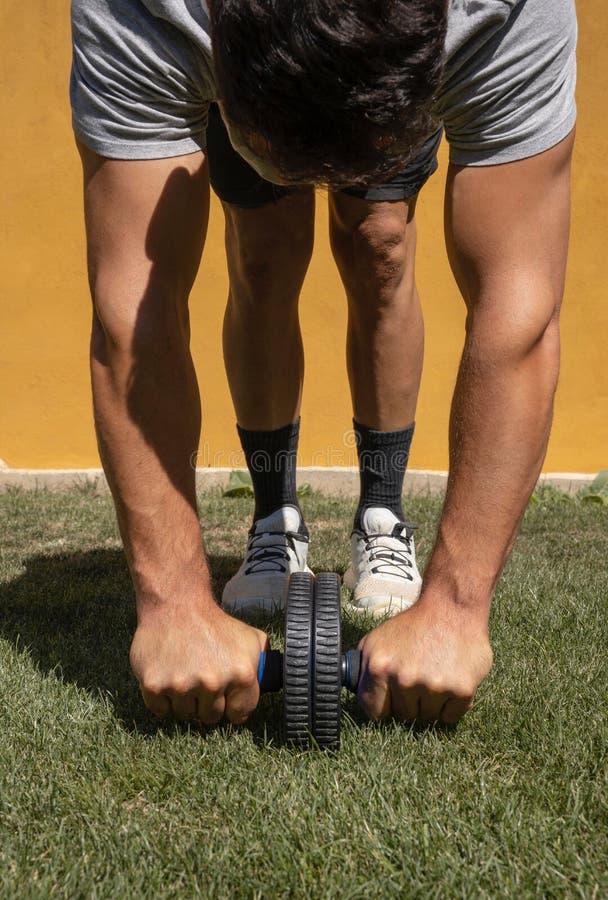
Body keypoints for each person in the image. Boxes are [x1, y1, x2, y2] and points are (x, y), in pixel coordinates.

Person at [70, 0, 577, 726]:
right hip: (221, 55)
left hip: (402, 55)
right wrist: (172, 605)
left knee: (379, 241)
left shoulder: (507, 13)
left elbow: (519, 310)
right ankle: (274, 520)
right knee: (265, 251)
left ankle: (382, 516)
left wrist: (456, 611)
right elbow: (130, 318)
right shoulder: (145, 11)